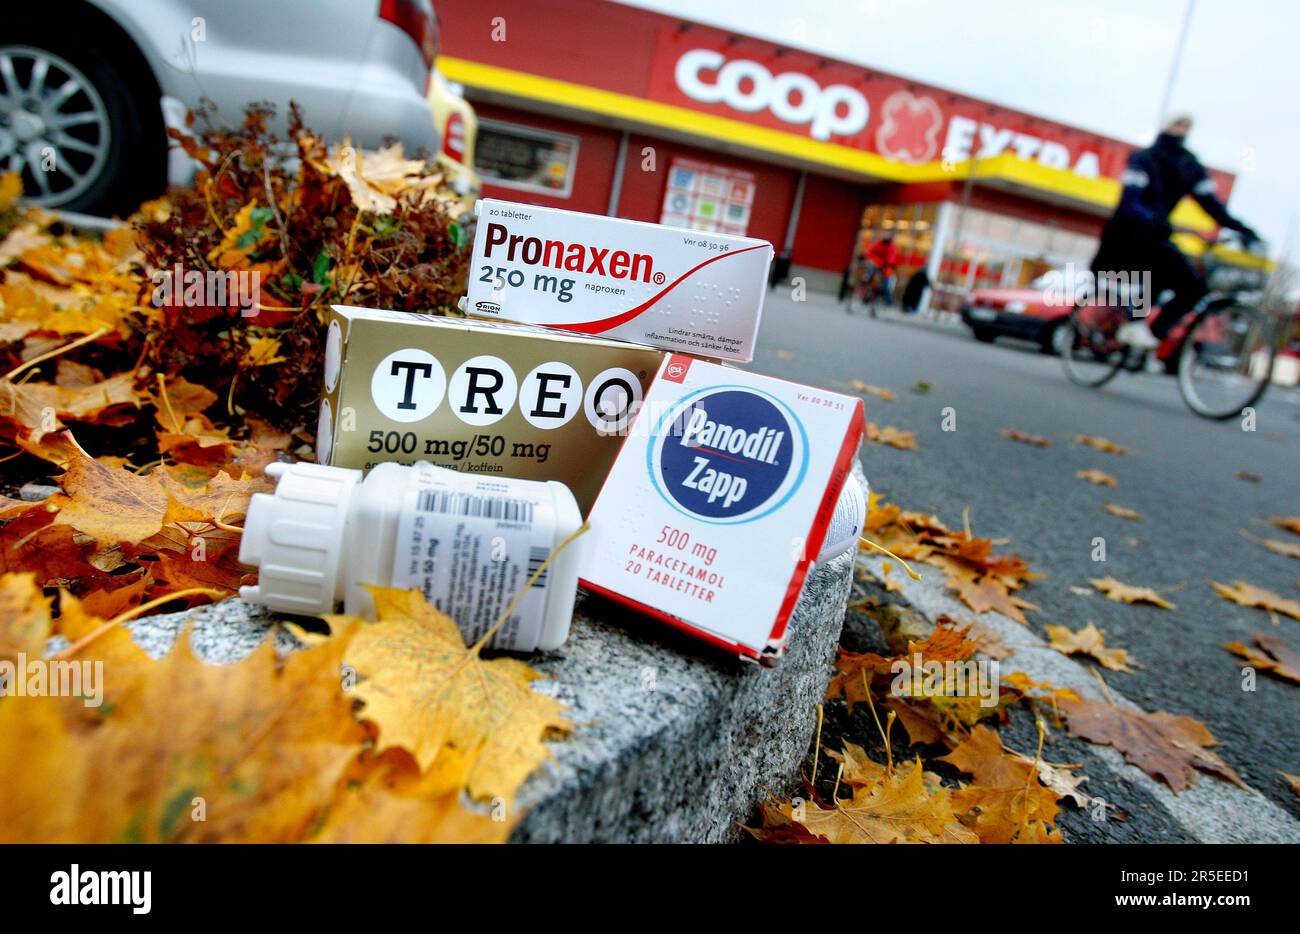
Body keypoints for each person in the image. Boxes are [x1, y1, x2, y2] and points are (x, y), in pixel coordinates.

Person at [1093, 114, 1258, 350]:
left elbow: (1210, 203)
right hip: (1127, 235)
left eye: (1186, 125)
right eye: (1177, 123)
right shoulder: (1143, 159)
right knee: (1149, 267)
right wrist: (1154, 219)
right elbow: (1130, 200)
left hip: (1158, 234)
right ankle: (1133, 322)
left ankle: (1153, 334)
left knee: (1192, 284)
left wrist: (1242, 228)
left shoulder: (1188, 165)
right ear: (1165, 124)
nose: (1181, 129)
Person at [861, 233, 903, 306]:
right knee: (870, 272)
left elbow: (891, 256)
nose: (886, 238)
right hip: (877, 264)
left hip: (886, 267)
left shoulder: (892, 247)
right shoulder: (879, 243)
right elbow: (870, 250)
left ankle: (887, 300)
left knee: (886, 284)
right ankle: (866, 283)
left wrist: (887, 263)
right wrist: (865, 255)